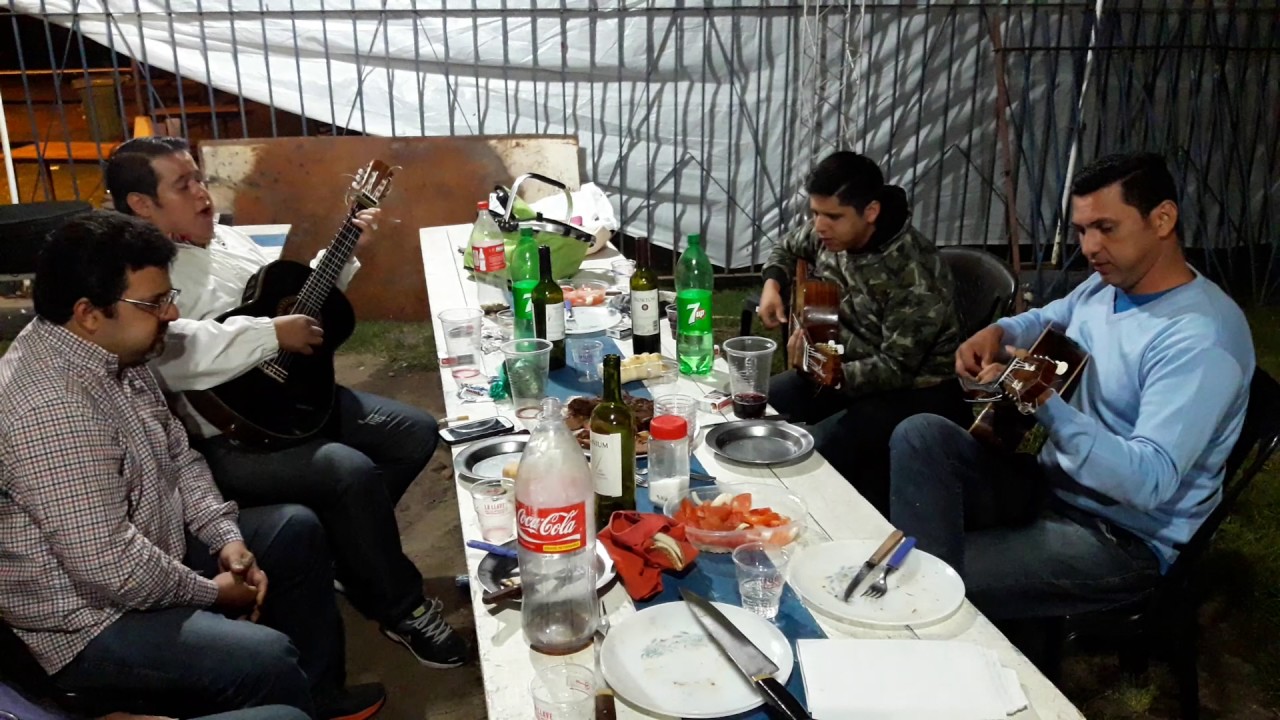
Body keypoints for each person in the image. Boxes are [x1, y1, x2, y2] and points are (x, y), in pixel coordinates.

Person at [0, 211, 384, 720]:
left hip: (150, 555)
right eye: (155, 302)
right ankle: (282, 698)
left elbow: (180, 457)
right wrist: (213, 592)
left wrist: (227, 538)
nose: (172, 312)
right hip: (88, 622)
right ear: (89, 312)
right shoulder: (52, 408)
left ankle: (317, 697)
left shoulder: (115, 351)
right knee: (264, 659)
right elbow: (108, 567)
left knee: (294, 529)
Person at [104, 137, 468, 669]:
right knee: (347, 470)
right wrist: (273, 335)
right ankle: (400, 605)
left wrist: (341, 254)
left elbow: (293, 301)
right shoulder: (139, 274)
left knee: (412, 431)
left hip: (295, 398)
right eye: (184, 185)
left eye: (200, 178)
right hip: (229, 436)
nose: (203, 193)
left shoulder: (226, 241)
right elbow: (175, 351)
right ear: (141, 204)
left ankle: (351, 553)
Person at [889, 152, 1255, 623]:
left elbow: (1148, 482)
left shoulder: (1200, 338)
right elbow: (1049, 317)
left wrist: (1044, 401)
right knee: (920, 435)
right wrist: (1000, 331)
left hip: (1122, 538)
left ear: (1162, 219)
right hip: (1055, 488)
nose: (1089, 246)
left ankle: (924, 604)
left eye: (1106, 227)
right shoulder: (1111, 285)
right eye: (1082, 230)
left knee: (924, 580)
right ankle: (925, 592)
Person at [758, 151, 967, 511]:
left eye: (832, 216)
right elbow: (787, 247)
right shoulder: (832, 235)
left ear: (870, 212)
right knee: (752, 405)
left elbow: (895, 368)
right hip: (840, 370)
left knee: (810, 454)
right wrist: (772, 284)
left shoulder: (915, 272)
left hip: (912, 395)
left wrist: (819, 368)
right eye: (815, 214)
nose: (820, 226)